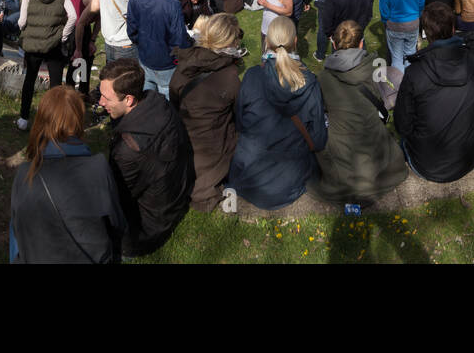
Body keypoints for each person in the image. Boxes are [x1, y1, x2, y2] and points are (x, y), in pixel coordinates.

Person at [9, 86, 125, 263]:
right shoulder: (99, 168)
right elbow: (117, 227)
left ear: (42, 120)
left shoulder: (25, 174)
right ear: (79, 121)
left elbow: (17, 237)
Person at [226, 15, 327, 210]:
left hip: (251, 174)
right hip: (289, 178)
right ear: (295, 42)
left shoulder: (252, 75)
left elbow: (240, 123)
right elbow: (319, 139)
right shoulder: (309, 81)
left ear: (267, 41)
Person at [99, 59, 195, 257]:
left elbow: (115, 198)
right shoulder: (160, 103)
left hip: (146, 230)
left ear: (129, 100)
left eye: (106, 98)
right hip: (173, 199)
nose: (100, 102)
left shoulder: (129, 149)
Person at [309, 18, 408, 204]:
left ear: (333, 43)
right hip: (371, 139)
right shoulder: (374, 68)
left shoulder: (323, 78)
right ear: (361, 43)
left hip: (343, 146)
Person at [394, 2, 474, 182]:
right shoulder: (473, 64)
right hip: (456, 158)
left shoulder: (416, 73)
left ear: (427, 33)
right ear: (453, 29)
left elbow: (402, 126)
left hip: (444, 161)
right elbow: (403, 125)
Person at [169, 13, 246, 211]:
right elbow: (240, 114)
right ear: (231, 41)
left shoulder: (187, 63)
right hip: (213, 143)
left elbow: (174, 96)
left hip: (186, 133)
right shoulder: (229, 77)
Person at [16, 0, 77, 131]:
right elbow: (73, 16)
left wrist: (25, 32)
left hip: (33, 42)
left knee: (30, 79)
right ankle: (54, 121)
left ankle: (23, 118)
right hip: (54, 42)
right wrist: (63, 36)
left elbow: (22, 19)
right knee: (56, 84)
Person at [126, 0, 192, 97]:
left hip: (145, 57)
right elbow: (179, 39)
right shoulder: (172, 4)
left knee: (148, 101)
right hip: (164, 63)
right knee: (167, 106)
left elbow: (131, 29)